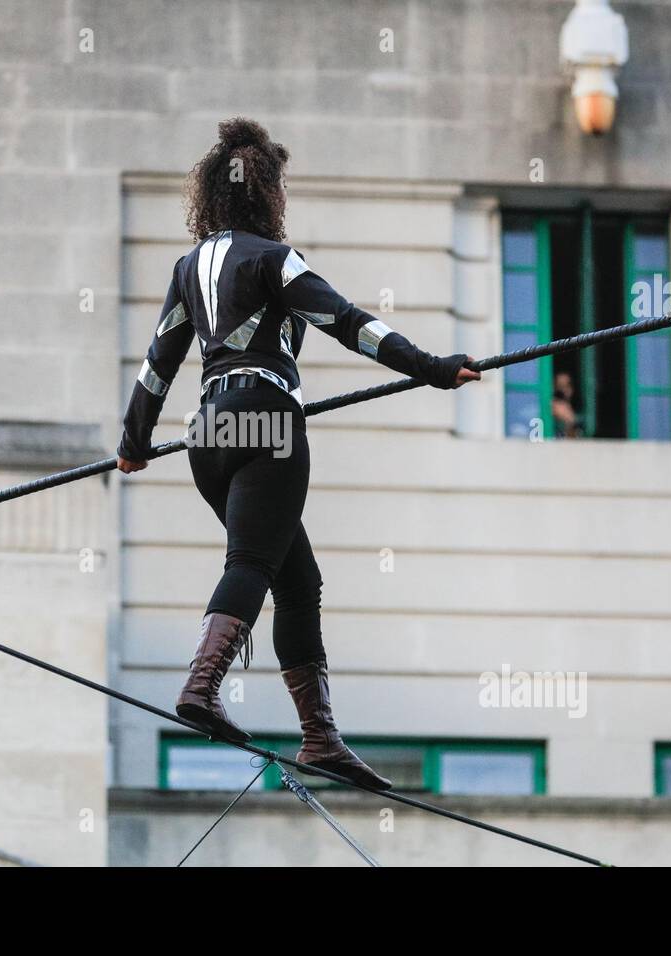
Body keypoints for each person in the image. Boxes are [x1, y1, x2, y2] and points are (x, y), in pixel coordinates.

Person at [116, 117, 480, 789]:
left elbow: (157, 364)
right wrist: (431, 368)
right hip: (267, 421)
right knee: (252, 563)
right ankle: (202, 687)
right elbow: (350, 323)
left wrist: (133, 444)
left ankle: (320, 738)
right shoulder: (274, 259)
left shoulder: (187, 269)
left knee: (297, 580)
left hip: (209, 437)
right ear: (266, 193)